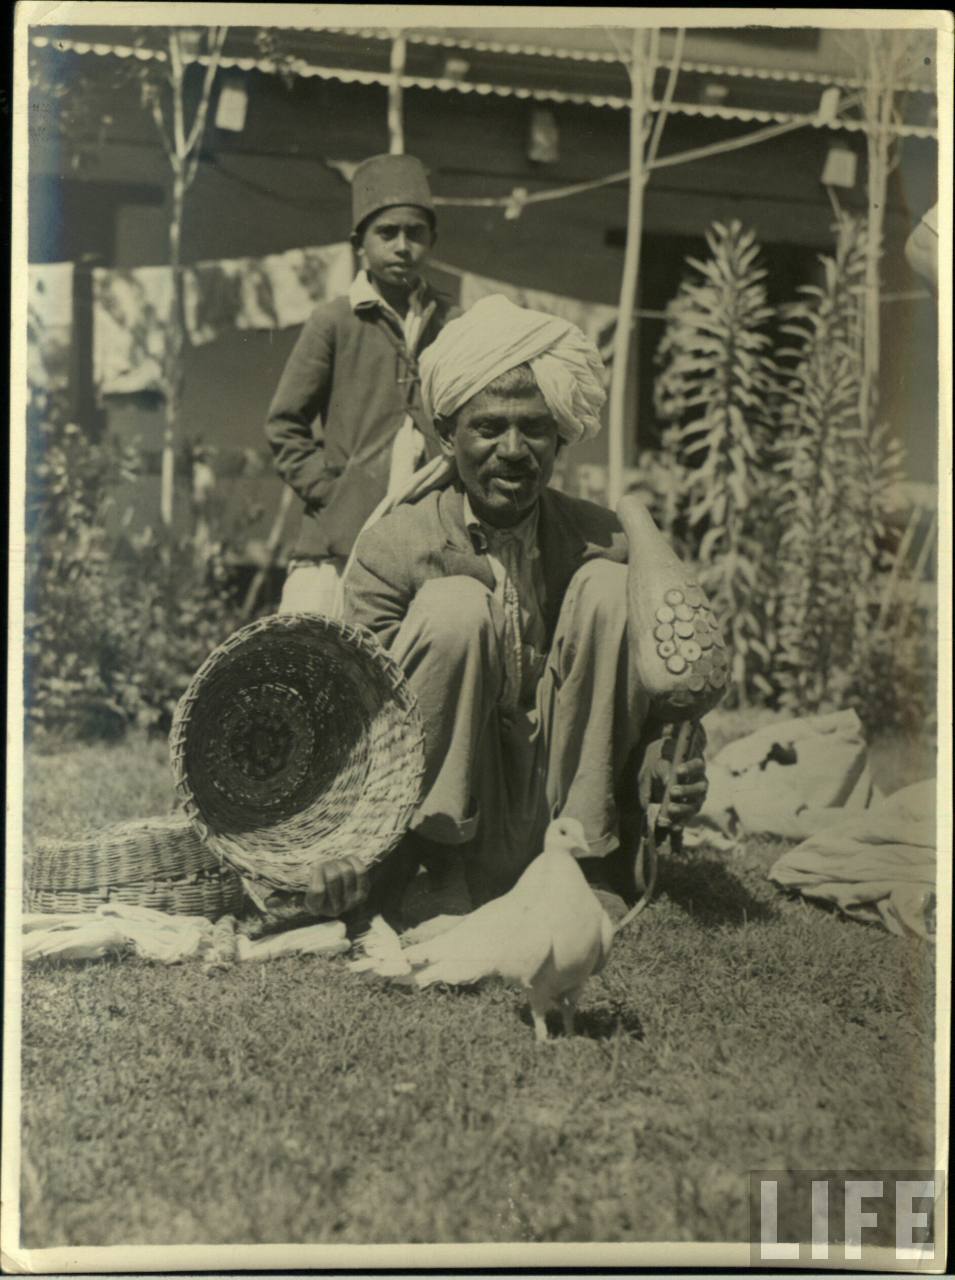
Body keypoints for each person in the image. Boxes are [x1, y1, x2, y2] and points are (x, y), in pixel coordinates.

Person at [305, 296, 708, 920]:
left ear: (561, 438)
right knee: (456, 609)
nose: (514, 450)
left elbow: (662, 705)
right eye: (489, 428)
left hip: (565, 819)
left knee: (608, 589)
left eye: (535, 428)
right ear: (448, 434)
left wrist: (669, 764)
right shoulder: (393, 548)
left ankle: (588, 867)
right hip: (444, 823)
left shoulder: (605, 539)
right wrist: (328, 842)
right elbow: (350, 717)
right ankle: (437, 872)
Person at [265, 154, 459, 615]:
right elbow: (284, 424)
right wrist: (333, 492)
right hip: (339, 538)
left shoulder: (450, 320)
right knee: (311, 651)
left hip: (426, 528)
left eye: (415, 233)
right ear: (360, 244)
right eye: (387, 233)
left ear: (432, 240)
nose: (402, 246)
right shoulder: (334, 321)